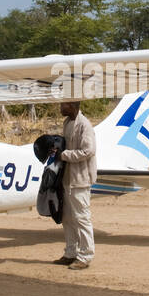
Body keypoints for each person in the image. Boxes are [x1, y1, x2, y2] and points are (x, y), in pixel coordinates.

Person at [55, 100, 97, 270]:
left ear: (72, 106)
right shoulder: (67, 123)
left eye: (63, 105)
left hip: (80, 179)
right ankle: (71, 252)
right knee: (67, 217)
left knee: (82, 218)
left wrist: (64, 155)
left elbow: (88, 151)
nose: (60, 108)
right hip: (67, 178)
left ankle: (86, 255)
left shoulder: (84, 125)